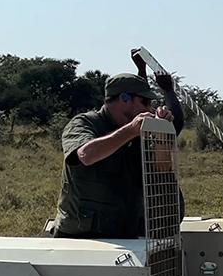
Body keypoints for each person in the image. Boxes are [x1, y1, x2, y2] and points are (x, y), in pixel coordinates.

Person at [50, 51, 185, 238]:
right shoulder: (84, 123)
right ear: (124, 99)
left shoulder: (139, 130)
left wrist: (162, 132)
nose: (148, 108)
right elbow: (85, 155)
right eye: (145, 102)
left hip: (125, 233)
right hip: (82, 236)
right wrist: (130, 131)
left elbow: (161, 168)